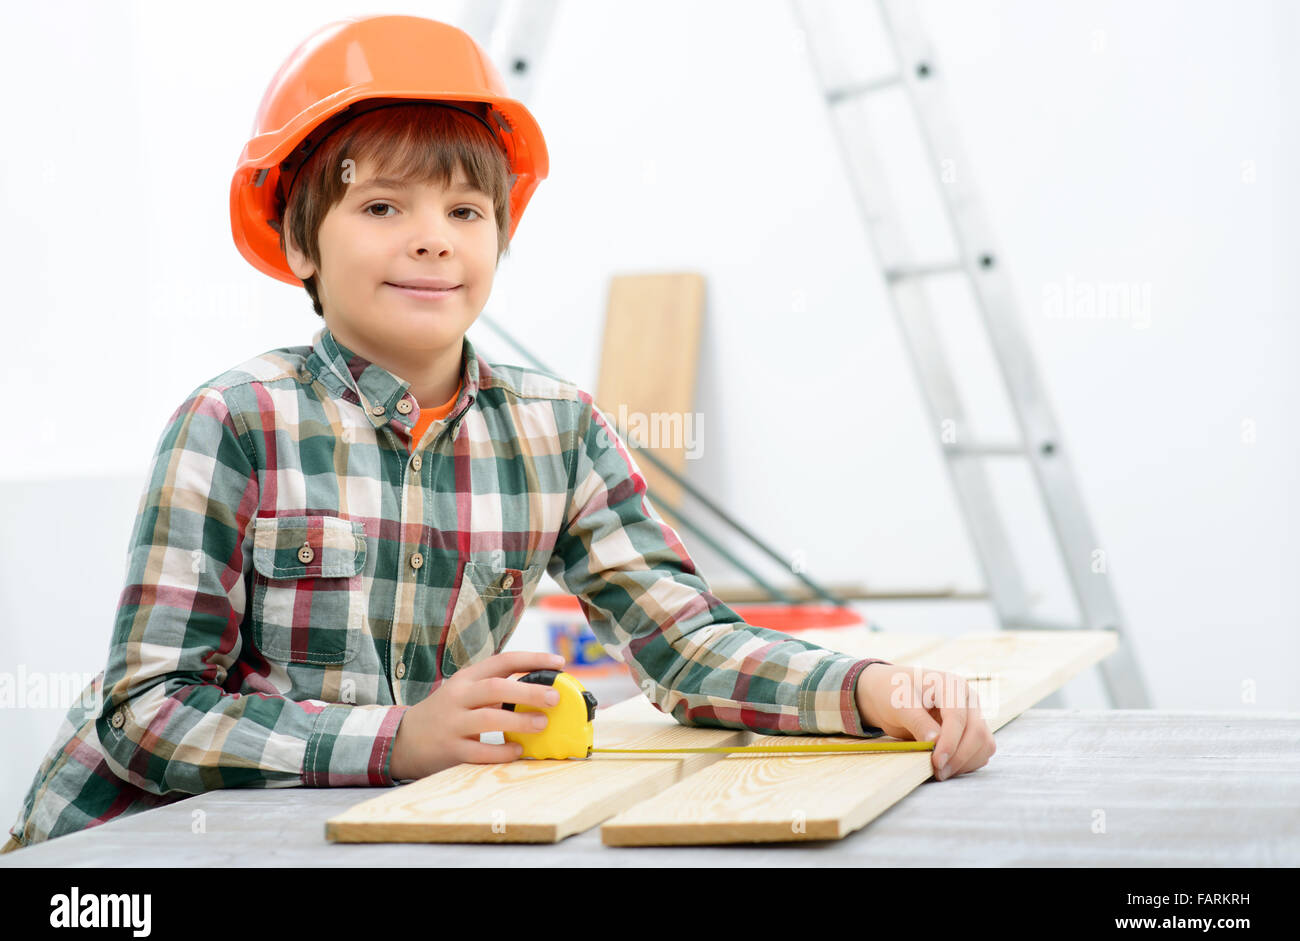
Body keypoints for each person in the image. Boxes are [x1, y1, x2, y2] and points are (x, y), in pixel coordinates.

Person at [2, 14, 992, 853]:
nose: (432, 236)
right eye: (383, 205)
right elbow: (147, 715)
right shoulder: (234, 423)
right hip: (127, 851)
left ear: (498, 239)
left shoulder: (554, 431)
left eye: (465, 209)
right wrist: (398, 739)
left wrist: (869, 690)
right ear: (301, 240)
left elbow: (685, 645)